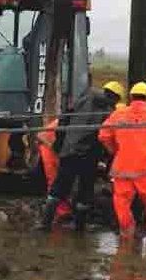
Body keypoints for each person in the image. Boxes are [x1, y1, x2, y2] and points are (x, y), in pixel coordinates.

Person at [37, 80, 125, 231]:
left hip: (69, 150)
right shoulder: (110, 113)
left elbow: (64, 119)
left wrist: (60, 143)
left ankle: (44, 225)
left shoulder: (84, 97)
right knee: (85, 191)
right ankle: (79, 229)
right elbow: (104, 137)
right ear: (116, 98)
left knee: (59, 187)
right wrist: (106, 160)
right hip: (89, 155)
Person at [99, 82, 146, 238]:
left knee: (121, 202)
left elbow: (103, 136)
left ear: (131, 97)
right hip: (145, 168)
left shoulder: (118, 114)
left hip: (122, 168)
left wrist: (114, 150)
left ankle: (126, 230)